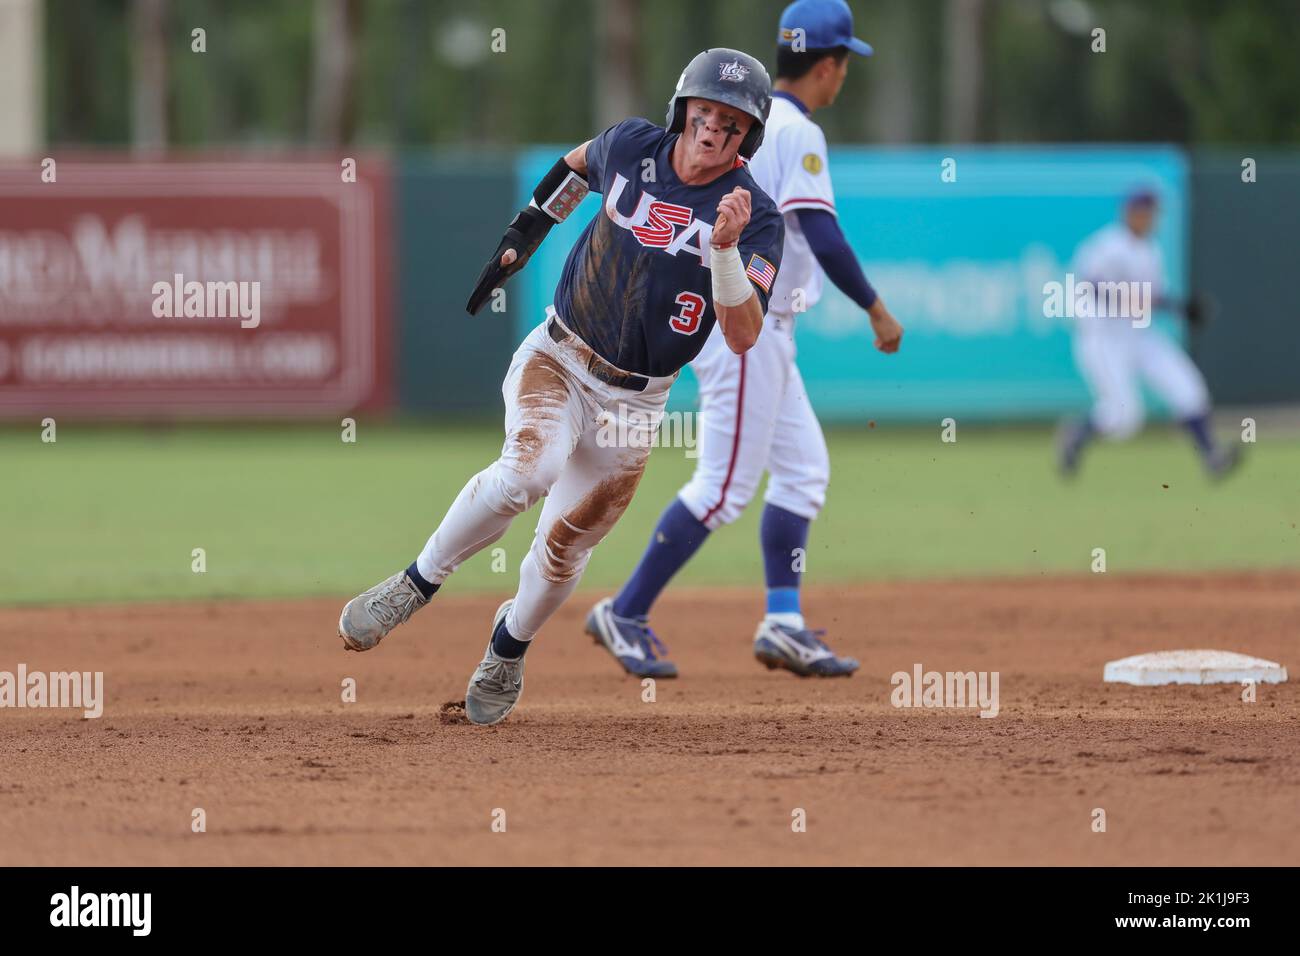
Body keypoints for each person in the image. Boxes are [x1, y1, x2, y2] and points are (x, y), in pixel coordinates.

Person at [337, 49, 784, 725]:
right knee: (528, 471)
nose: (713, 127)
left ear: (748, 135)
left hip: (637, 398)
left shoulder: (756, 217)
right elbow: (578, 165)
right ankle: (416, 583)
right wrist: (524, 232)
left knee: (566, 545)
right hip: (560, 354)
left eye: (731, 120)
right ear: (683, 108)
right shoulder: (633, 145)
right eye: (705, 110)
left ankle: (507, 646)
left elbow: (744, 333)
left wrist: (723, 251)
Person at [585, 0, 903, 680]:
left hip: (755, 327)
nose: (841, 76)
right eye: (842, 64)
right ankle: (626, 611)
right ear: (828, 66)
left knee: (803, 471)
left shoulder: (762, 125)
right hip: (746, 330)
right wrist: (875, 308)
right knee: (723, 488)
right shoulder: (795, 133)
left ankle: (784, 621)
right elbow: (819, 231)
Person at [1058, 188, 1240, 478]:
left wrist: (1181, 309)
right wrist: (1133, 298)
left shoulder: (1150, 250)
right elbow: (1090, 285)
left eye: (1153, 214)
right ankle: (1078, 432)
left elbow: (1151, 297)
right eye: (1145, 212)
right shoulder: (1107, 245)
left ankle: (1212, 458)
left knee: (1189, 389)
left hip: (1139, 333)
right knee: (1124, 417)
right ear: (1131, 213)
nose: (1150, 219)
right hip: (1105, 337)